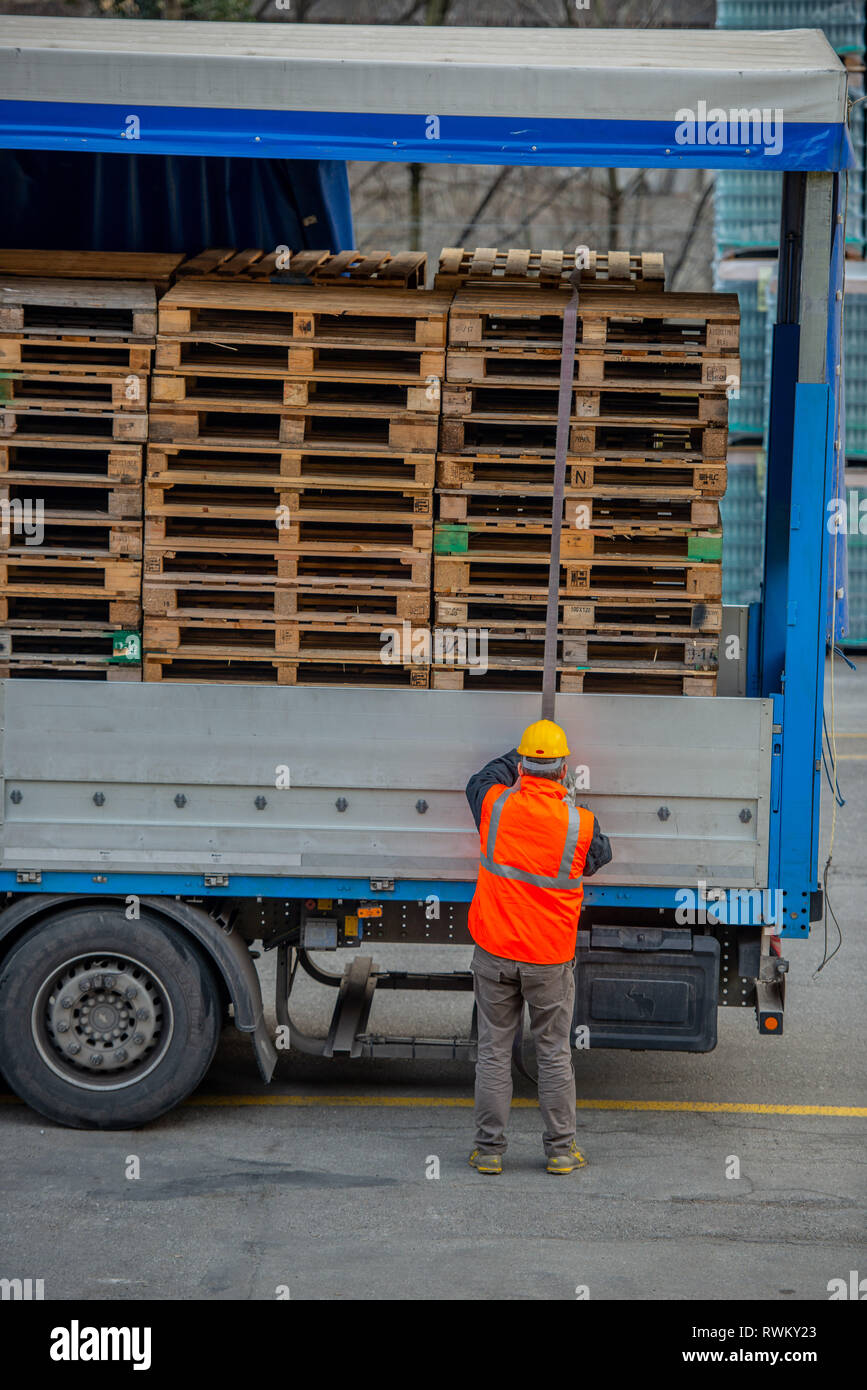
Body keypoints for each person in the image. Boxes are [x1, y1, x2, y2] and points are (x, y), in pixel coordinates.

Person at [464, 719, 612, 1175]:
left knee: (492, 1051)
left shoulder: (496, 805)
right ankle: (561, 1151)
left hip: (494, 951)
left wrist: (519, 758)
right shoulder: (579, 823)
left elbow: (479, 780)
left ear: (523, 767)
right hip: (547, 958)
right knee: (552, 1053)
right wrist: (569, 798)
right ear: (565, 768)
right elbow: (599, 855)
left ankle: (489, 1151)